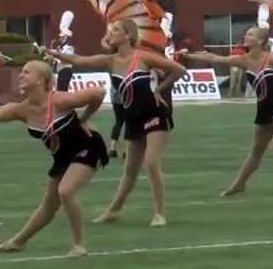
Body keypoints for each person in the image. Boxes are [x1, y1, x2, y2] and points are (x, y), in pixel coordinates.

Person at [0, 61, 108, 256]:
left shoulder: (58, 101)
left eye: (27, 73)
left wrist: (84, 117)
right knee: (49, 204)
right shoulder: (21, 109)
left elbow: (98, 93)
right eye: (21, 72)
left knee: (66, 190)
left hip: (87, 146)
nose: (21, 75)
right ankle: (18, 242)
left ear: (41, 80)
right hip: (62, 156)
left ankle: (79, 245)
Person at [44, 19, 185, 227]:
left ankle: (159, 213)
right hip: (132, 117)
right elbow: (79, 60)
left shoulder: (143, 57)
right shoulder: (109, 61)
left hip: (154, 113)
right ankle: (114, 210)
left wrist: (158, 89)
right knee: (130, 170)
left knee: (152, 162)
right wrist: (54, 53)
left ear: (128, 35)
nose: (112, 32)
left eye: (116, 29)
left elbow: (179, 70)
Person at [185, 27, 273, 199]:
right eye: (247, 34)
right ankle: (238, 185)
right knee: (256, 151)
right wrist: (188, 55)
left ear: (260, 41)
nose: (246, 36)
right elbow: (214, 58)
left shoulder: (272, 58)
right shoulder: (243, 60)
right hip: (264, 108)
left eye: (250, 35)